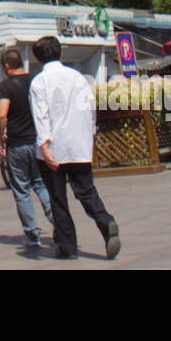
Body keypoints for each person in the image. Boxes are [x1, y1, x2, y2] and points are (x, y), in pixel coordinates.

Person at [29, 37, 120, 261]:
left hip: (53, 148)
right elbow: (90, 109)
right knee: (86, 191)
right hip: (78, 144)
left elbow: (41, 118)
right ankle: (105, 220)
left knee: (58, 198)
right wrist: (90, 136)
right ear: (60, 53)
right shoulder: (78, 78)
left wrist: (44, 148)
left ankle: (67, 247)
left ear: (37, 58)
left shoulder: (39, 82)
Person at [0, 48, 53, 254]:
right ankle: (57, 221)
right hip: (37, 142)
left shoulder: (6, 86)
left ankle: (31, 234)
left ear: (6, 66)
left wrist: (0, 138)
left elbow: (2, 115)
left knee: (21, 191)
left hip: (17, 144)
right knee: (41, 184)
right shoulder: (35, 81)